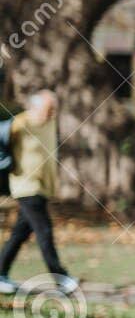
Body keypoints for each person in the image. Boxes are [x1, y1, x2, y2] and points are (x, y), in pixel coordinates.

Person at [0, 91, 77, 296]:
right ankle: (60, 278)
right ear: (35, 107)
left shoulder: (50, 123)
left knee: (20, 233)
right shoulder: (19, 123)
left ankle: (0, 274)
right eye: (49, 109)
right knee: (44, 231)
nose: (52, 113)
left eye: (54, 109)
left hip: (43, 187)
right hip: (26, 185)